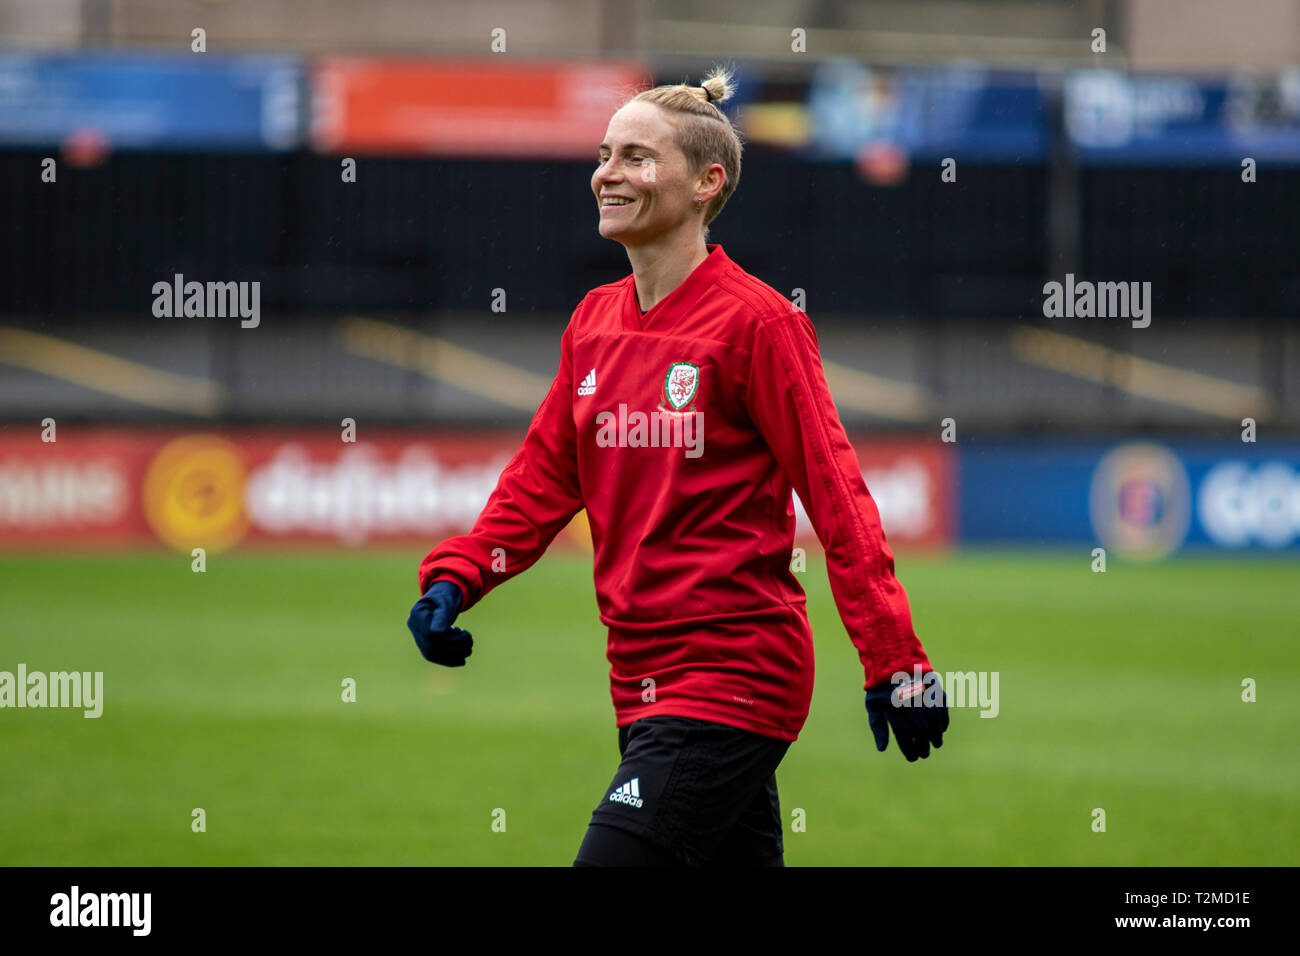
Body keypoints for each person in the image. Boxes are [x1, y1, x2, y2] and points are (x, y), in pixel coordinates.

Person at [407, 66, 949, 867]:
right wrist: (457, 577)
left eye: (636, 156)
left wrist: (894, 659)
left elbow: (837, 497)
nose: (608, 173)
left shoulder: (758, 323)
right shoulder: (593, 322)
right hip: (638, 677)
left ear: (706, 182)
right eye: (604, 153)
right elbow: (543, 480)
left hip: (734, 673)